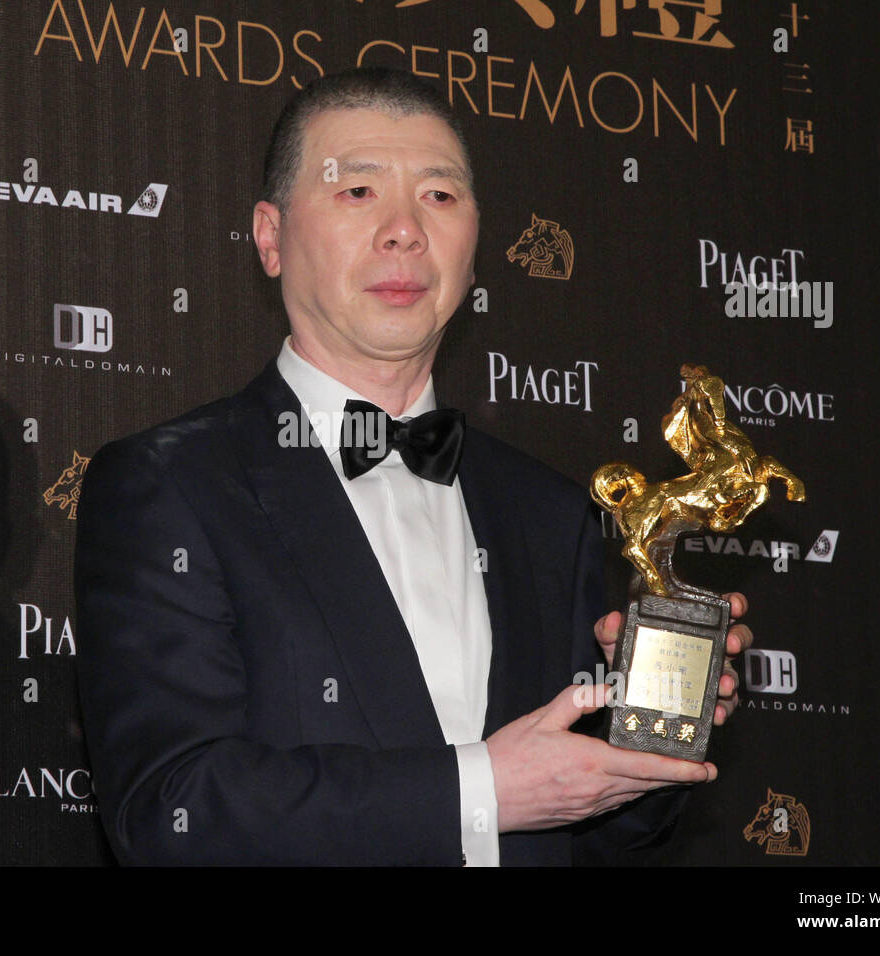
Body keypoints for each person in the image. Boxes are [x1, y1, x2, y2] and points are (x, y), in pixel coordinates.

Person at [74, 67, 750, 866]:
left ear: (474, 244)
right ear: (270, 235)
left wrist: (643, 735)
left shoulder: (547, 511)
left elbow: (587, 845)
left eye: (439, 195)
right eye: (357, 192)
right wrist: (484, 789)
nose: (404, 230)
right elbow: (172, 808)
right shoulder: (169, 486)